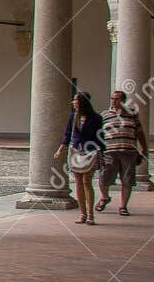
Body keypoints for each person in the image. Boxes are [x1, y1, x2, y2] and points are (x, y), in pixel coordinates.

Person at [55, 91, 104, 225]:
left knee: (87, 182)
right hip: (76, 151)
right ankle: (82, 213)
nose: (73, 102)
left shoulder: (96, 118)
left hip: (90, 152)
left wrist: (101, 153)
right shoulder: (73, 116)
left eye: (75, 100)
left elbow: (100, 137)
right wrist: (60, 149)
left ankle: (90, 215)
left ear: (82, 102)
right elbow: (67, 134)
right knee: (78, 182)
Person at [98, 88, 146, 217]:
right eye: (112, 98)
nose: (113, 101)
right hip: (109, 151)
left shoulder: (132, 113)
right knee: (103, 178)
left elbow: (139, 132)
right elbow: (100, 134)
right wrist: (99, 150)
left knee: (127, 179)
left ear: (123, 100)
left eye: (116, 99)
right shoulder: (105, 114)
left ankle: (123, 206)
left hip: (128, 151)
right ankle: (104, 197)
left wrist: (144, 148)